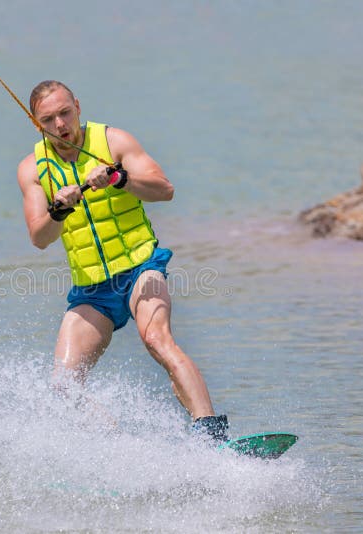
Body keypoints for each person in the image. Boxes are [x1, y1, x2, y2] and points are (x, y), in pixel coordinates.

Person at [16, 80, 229, 443]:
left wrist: (119, 178)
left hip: (140, 268)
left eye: (65, 113)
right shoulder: (33, 169)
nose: (60, 126)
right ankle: (122, 451)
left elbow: (165, 189)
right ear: (37, 124)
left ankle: (211, 435)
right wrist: (59, 210)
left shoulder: (114, 142)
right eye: (48, 120)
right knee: (64, 386)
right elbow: (39, 238)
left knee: (156, 338)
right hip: (93, 289)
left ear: (78, 107)